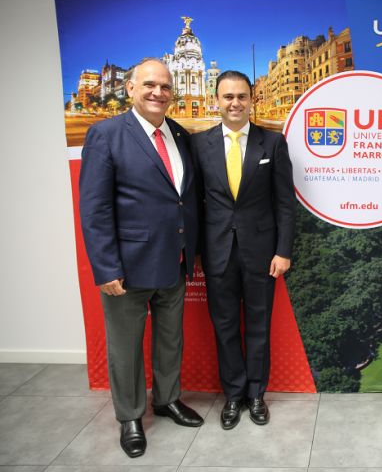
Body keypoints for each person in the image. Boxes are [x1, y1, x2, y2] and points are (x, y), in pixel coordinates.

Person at [79, 57, 203, 459]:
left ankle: (166, 400)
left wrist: (193, 251)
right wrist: (105, 268)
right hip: (127, 268)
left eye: (165, 86)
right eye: (149, 84)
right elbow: (94, 208)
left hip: (175, 261)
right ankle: (130, 417)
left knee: (170, 339)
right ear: (131, 88)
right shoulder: (106, 134)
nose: (158, 92)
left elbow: (183, 198)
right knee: (125, 346)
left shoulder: (180, 134)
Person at [190, 70, 296, 430]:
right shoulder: (199, 144)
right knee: (225, 327)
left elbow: (285, 203)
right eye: (228, 96)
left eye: (241, 96)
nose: (235, 103)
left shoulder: (273, 142)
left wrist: (284, 250)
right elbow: (193, 203)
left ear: (252, 100)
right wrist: (195, 251)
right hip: (216, 251)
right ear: (216, 101)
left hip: (263, 253)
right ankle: (233, 396)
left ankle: (256, 395)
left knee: (258, 327)